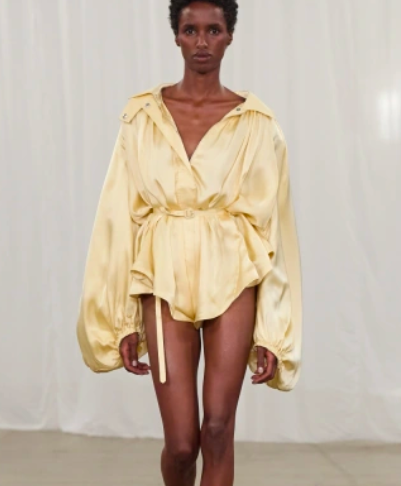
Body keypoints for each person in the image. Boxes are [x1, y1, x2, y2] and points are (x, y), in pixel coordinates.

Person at [76, 1, 303, 485]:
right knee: (181, 444)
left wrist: (273, 329)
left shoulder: (257, 123)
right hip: (161, 276)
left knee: (218, 428)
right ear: (176, 36)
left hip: (233, 274)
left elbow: (274, 227)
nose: (202, 41)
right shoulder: (142, 117)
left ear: (230, 36)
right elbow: (118, 215)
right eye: (191, 29)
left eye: (213, 30)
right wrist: (120, 317)